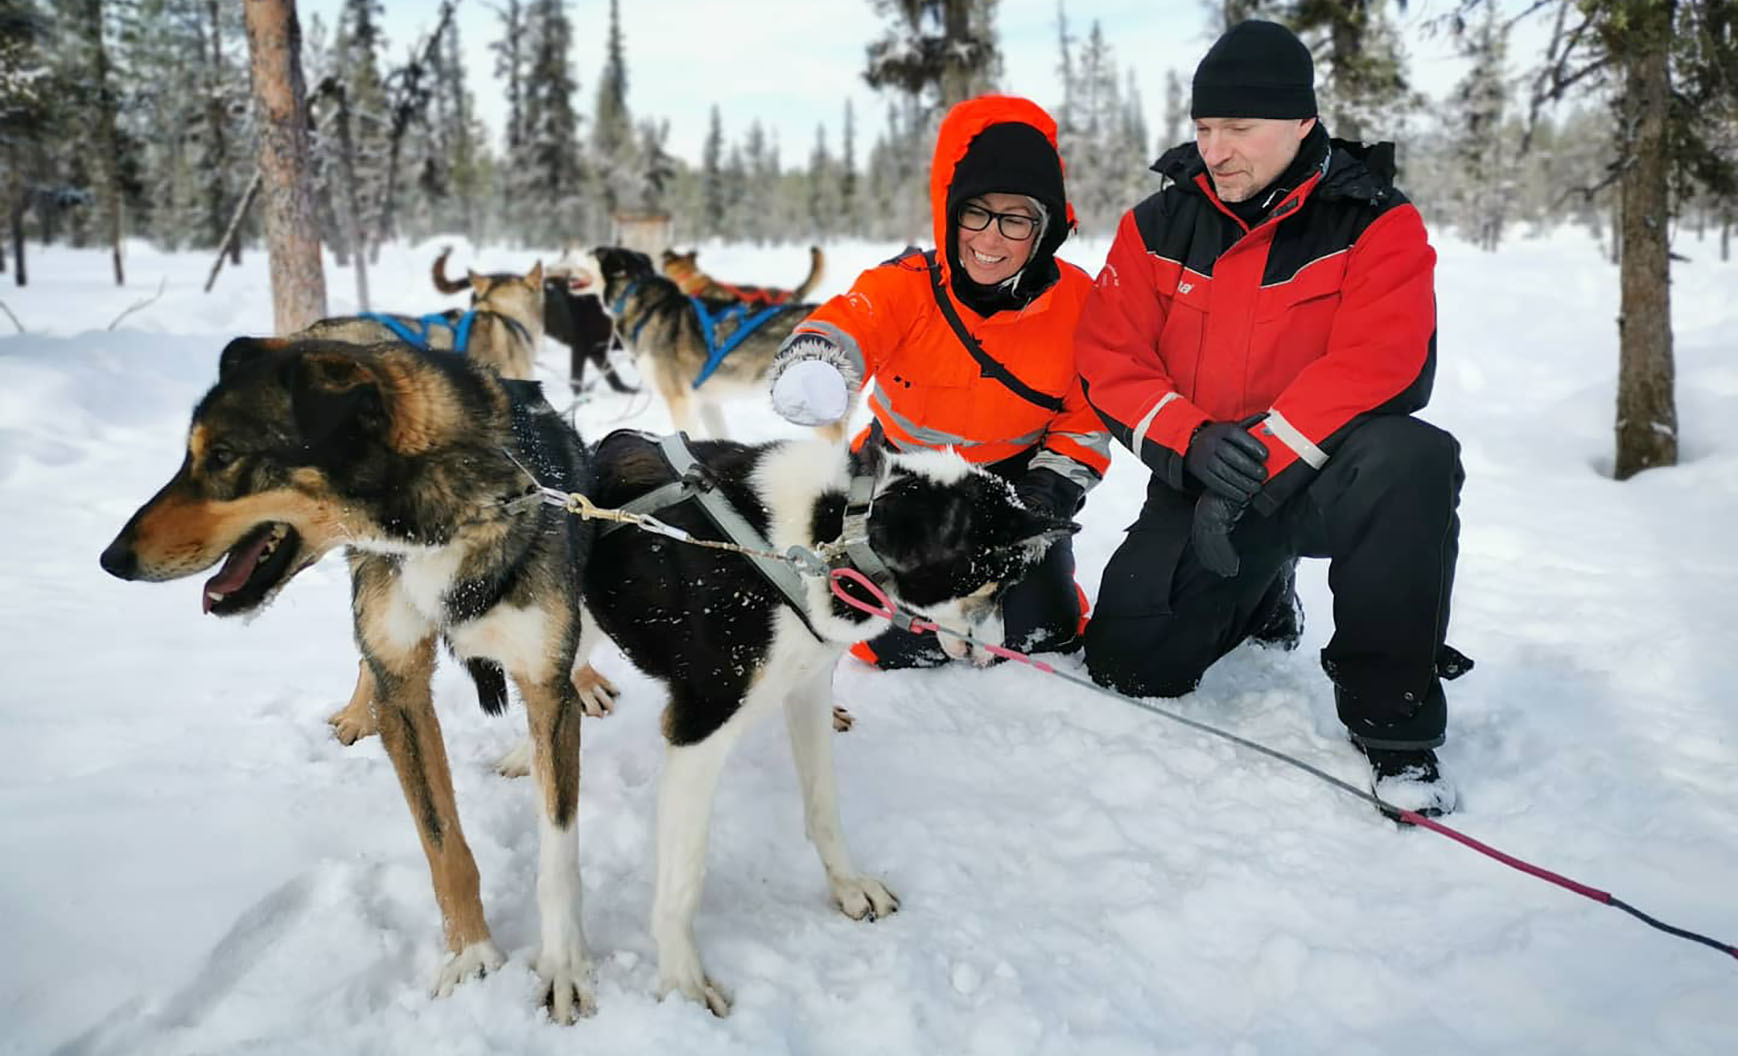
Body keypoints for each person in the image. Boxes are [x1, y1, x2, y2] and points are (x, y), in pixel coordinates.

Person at [1073, 20, 1470, 815]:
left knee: (1412, 458)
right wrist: (1190, 443)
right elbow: (1109, 360)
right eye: (1204, 127)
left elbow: (1382, 361)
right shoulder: (1156, 225)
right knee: (1130, 663)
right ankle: (1262, 593)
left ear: (1301, 122)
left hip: (1328, 480)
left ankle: (1394, 728)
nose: (1215, 150)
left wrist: (1262, 457)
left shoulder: (1376, 221)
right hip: (1202, 475)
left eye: (1239, 129)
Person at [769, 94, 1111, 668]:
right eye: (975, 212)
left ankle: (1033, 593)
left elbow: (1086, 422)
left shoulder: (1082, 304)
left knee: (1041, 635)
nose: (990, 238)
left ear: (1045, 229)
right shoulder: (907, 286)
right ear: (951, 213)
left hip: (1013, 482)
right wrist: (815, 360)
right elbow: (850, 322)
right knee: (887, 640)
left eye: (1016, 219)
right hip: (899, 481)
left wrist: (1044, 496)